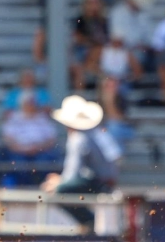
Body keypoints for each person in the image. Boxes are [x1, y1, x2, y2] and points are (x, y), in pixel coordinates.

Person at [42, 95, 121, 228]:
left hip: (96, 182)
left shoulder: (78, 138)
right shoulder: (98, 133)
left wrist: (58, 182)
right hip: (104, 181)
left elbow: (73, 172)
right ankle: (90, 223)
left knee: (59, 191)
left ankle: (89, 223)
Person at [1, 93, 58, 186]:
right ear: (22, 104)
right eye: (28, 103)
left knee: (44, 162)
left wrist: (38, 148)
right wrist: (23, 149)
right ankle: (23, 187)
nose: (30, 106)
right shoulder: (14, 118)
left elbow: (51, 139)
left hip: (40, 151)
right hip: (18, 151)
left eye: (32, 103)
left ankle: (42, 186)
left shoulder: (42, 118)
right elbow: (8, 140)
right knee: (18, 164)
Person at [108, 0, 154, 67]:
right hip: (123, 51)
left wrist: (144, 45)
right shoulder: (117, 13)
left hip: (142, 50)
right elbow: (117, 38)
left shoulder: (144, 14)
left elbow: (149, 37)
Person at [72, 0, 109, 89]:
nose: (93, 5)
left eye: (96, 2)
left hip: (99, 53)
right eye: (91, 2)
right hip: (83, 52)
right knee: (79, 70)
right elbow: (77, 39)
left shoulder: (103, 21)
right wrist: (91, 42)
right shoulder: (81, 19)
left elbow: (106, 39)